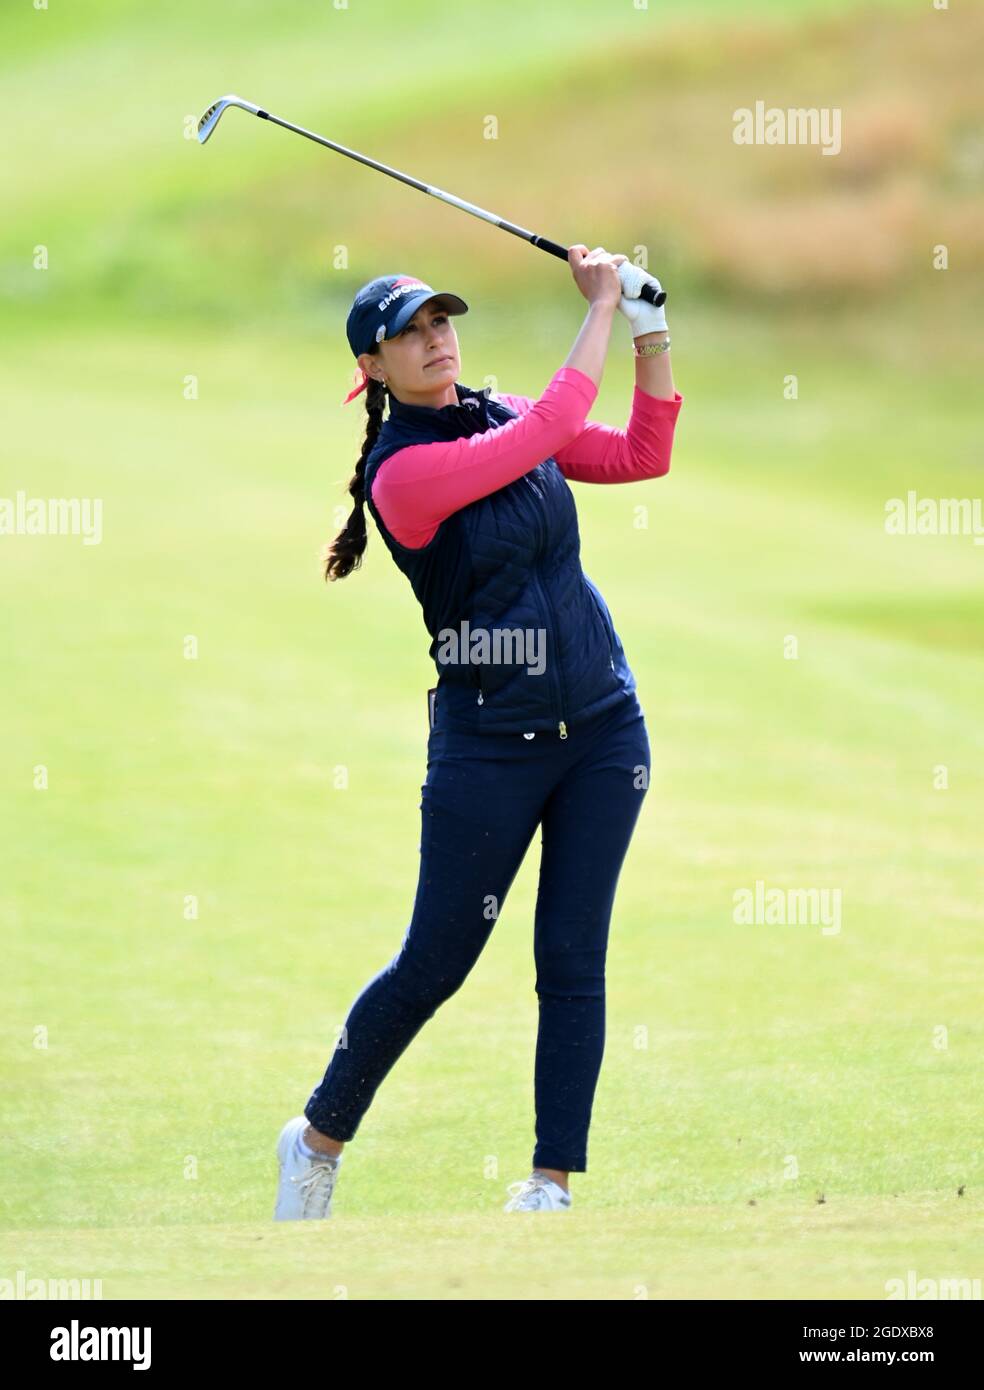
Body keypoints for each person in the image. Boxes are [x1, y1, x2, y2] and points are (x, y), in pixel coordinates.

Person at [274, 246, 684, 1218]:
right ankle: (317, 1138)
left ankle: (550, 1184)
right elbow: (554, 425)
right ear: (370, 368)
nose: (434, 340)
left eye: (442, 322)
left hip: (601, 727)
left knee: (573, 956)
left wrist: (649, 328)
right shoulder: (403, 476)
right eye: (409, 333)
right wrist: (597, 305)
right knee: (437, 959)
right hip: (488, 744)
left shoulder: (497, 414)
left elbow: (640, 452)